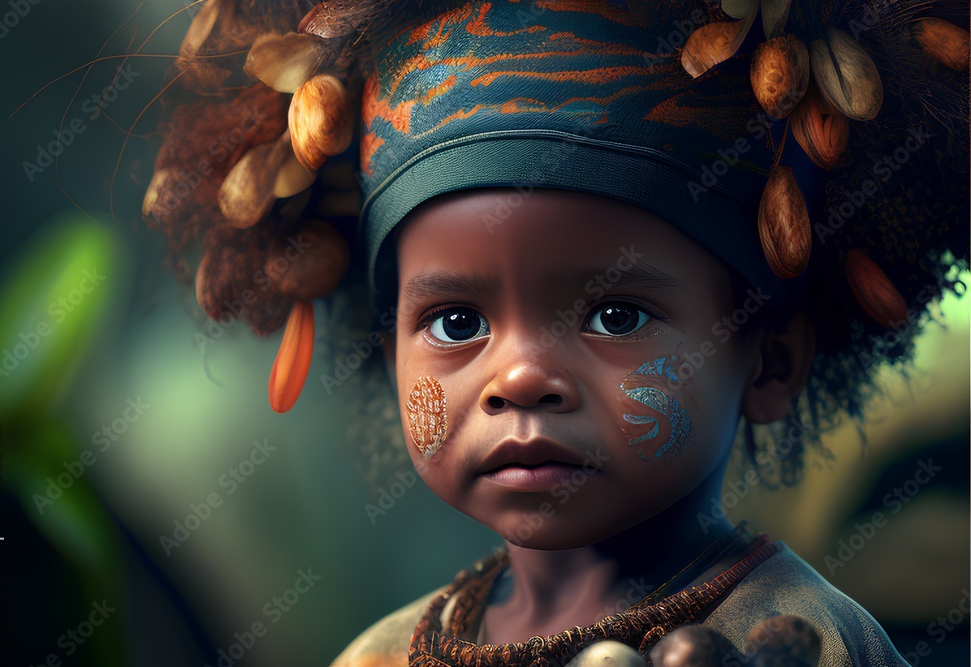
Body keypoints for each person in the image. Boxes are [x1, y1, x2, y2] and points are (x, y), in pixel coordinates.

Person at [142, 0, 969, 664]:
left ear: (770, 360)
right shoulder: (378, 655)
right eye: (456, 322)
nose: (521, 376)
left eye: (616, 315)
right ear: (387, 348)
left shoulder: (807, 642)